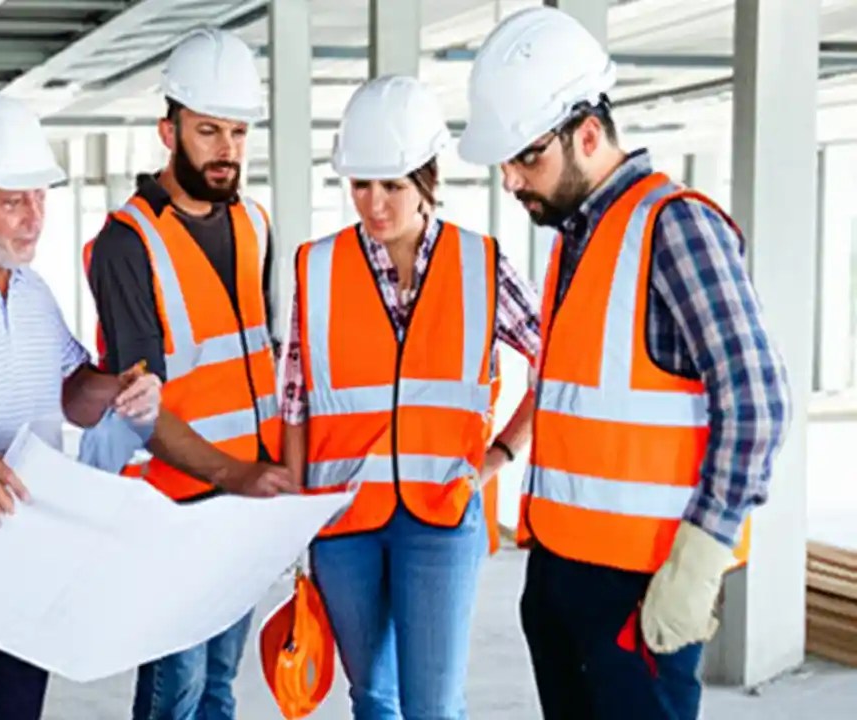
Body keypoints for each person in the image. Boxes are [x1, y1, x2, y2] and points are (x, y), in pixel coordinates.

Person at [0, 93, 291, 720]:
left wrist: (116, 390)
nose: (33, 218)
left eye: (39, 197)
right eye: (12, 201)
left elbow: (73, 391)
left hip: (29, 539)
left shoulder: (32, 291)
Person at [458, 7, 792, 719]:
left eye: (527, 158)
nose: (512, 182)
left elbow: (757, 399)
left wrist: (702, 558)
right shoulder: (575, 240)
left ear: (587, 133)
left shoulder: (675, 227)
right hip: (561, 574)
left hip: (641, 587)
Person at [280, 75, 543, 719]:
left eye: (391, 185)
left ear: (426, 179)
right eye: (360, 184)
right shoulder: (316, 267)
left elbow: (557, 362)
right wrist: (291, 506)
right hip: (343, 520)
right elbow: (295, 400)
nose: (373, 204)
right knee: (373, 698)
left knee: (433, 707)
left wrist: (503, 452)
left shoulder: (481, 264)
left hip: (442, 517)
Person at [84, 27, 296, 720]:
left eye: (237, 131)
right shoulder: (127, 242)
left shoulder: (254, 225)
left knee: (220, 685)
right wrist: (234, 474)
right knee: (175, 686)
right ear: (168, 130)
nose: (226, 149)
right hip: (174, 503)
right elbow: (142, 406)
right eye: (208, 130)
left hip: (243, 502)